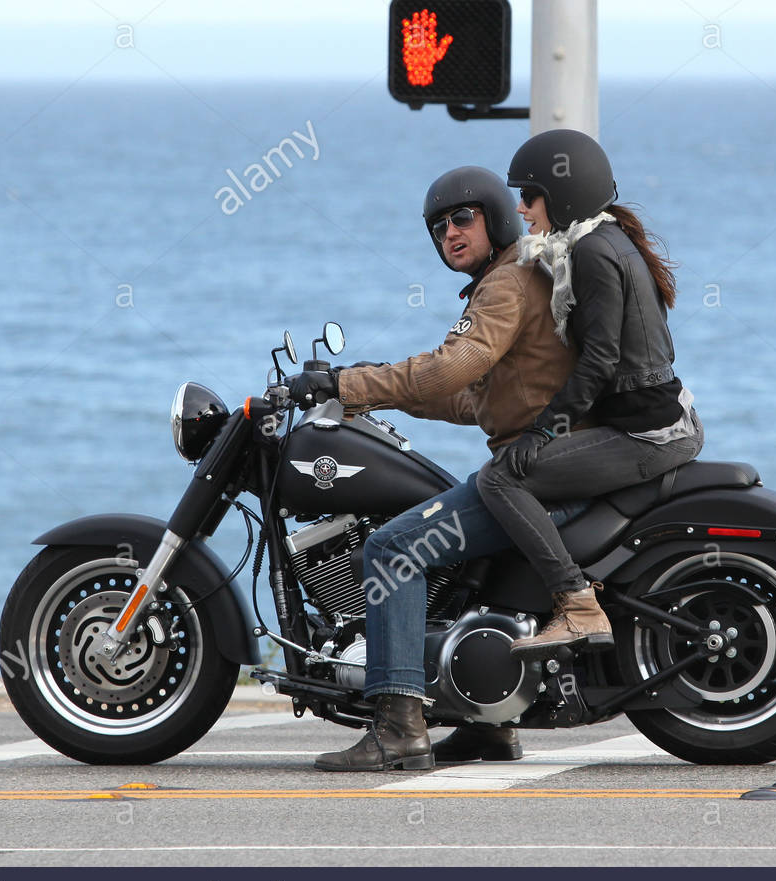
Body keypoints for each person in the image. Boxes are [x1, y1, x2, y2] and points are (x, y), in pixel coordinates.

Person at [287, 166, 584, 771]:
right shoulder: (511, 281)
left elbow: (450, 368)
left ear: (497, 217)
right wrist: (365, 392)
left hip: (539, 473)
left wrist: (345, 382)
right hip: (548, 465)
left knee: (392, 549)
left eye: (462, 218)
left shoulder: (506, 284)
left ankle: (398, 727)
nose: (449, 232)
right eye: (437, 227)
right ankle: (488, 726)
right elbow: (470, 397)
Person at [474, 128, 704, 658]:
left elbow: (599, 360)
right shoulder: (603, 241)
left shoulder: (593, 253)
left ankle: (576, 604)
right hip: (655, 418)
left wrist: (543, 428)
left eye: (529, 196)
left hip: (649, 433)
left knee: (502, 476)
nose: (521, 208)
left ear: (563, 195)